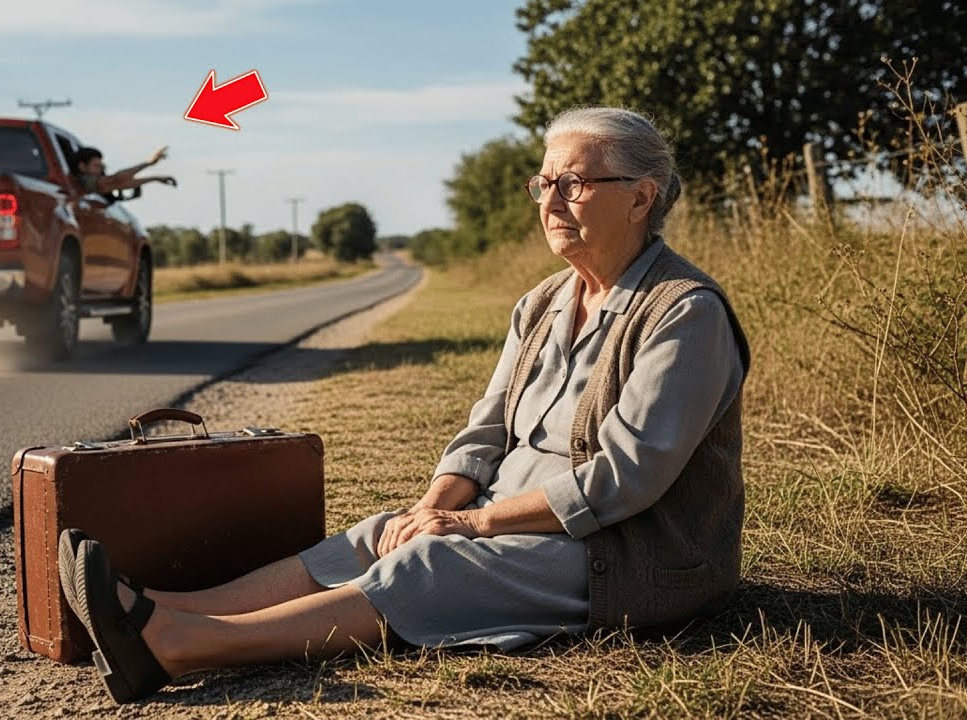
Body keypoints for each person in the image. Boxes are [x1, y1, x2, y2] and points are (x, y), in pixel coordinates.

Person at [58, 106, 751, 703]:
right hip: (510, 520)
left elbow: (624, 478)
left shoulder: (684, 312)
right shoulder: (542, 301)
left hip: (624, 551)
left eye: (573, 183)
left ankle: (181, 647)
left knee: (431, 564)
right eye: (543, 183)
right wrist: (432, 508)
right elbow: (485, 432)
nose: (549, 201)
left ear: (639, 197)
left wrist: (468, 526)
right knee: (381, 534)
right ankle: (159, 611)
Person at [72, 145, 177, 196]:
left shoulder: (93, 182)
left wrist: (154, 178)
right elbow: (116, 180)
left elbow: (121, 183)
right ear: (82, 166)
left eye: (101, 166)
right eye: (96, 166)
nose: (100, 170)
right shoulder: (83, 180)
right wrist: (149, 164)